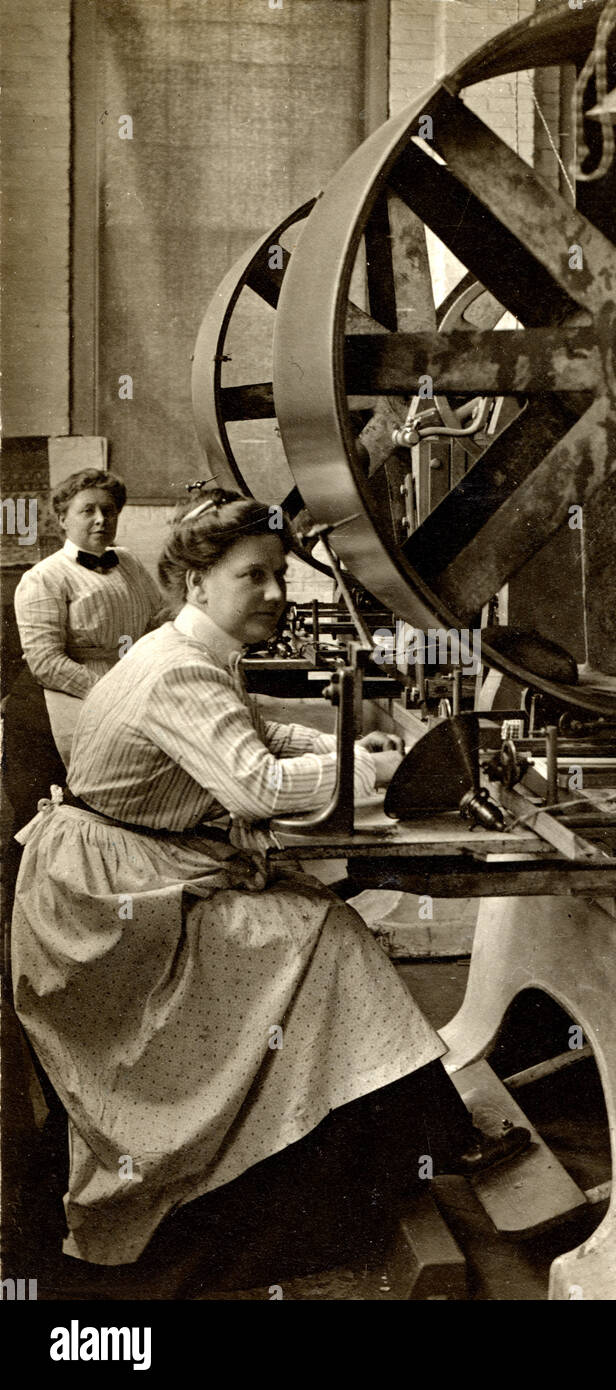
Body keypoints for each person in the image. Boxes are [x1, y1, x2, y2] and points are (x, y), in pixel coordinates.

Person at [11, 490, 527, 1294]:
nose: (277, 594)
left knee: (308, 921)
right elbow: (253, 784)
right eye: (255, 577)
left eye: (280, 576)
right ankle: (399, 1135)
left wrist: (346, 742)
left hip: (130, 873)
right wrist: (370, 770)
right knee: (316, 932)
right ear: (197, 583)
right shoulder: (177, 669)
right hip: (107, 911)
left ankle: (390, 1126)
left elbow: (251, 731)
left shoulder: (189, 652)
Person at [12, 468, 161, 765]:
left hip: (129, 684)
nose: (101, 520)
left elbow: (156, 620)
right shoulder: (44, 577)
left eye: (109, 510)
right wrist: (111, 694)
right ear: (63, 519)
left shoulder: (128, 561)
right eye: (87, 511)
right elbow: (46, 663)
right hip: (65, 697)